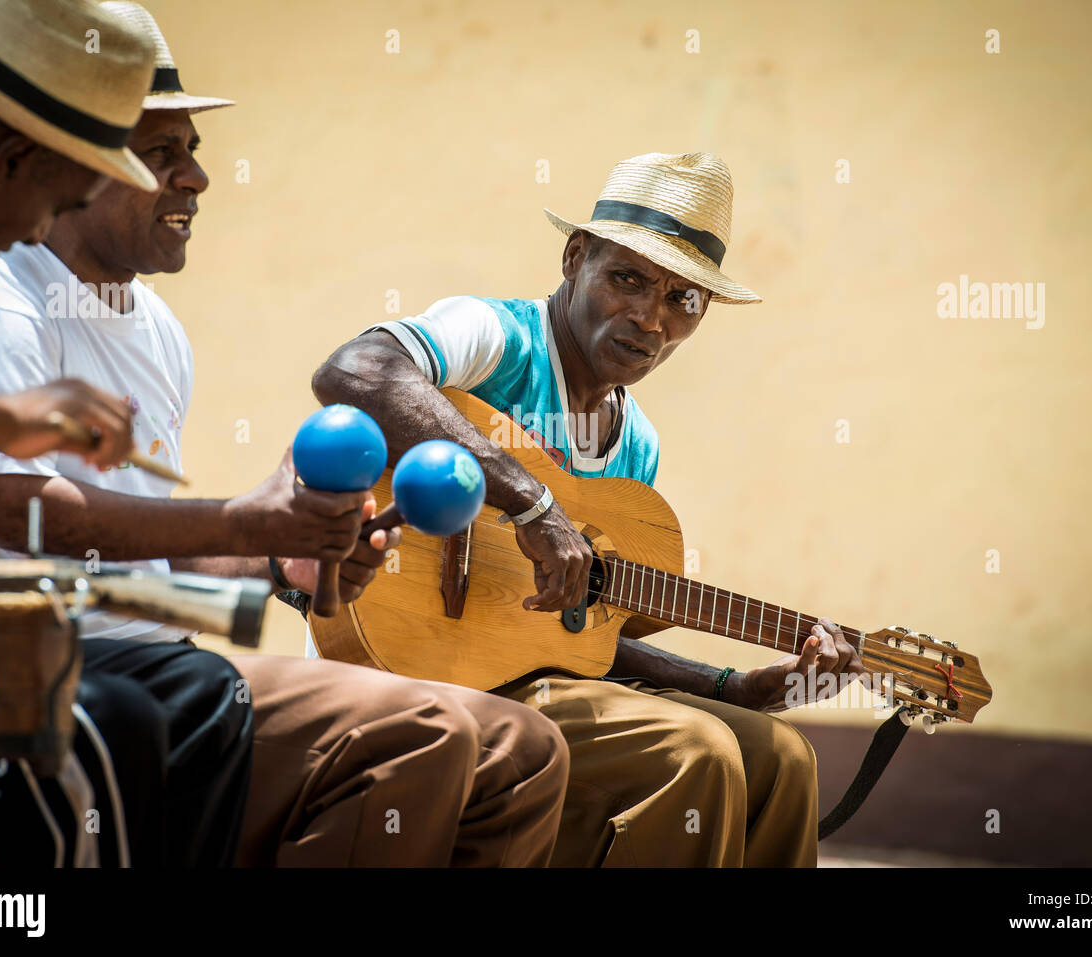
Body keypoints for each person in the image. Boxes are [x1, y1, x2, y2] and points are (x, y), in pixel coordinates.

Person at [0, 2, 569, 867]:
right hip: (82, 666)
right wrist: (243, 521)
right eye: (163, 153)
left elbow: (149, 544)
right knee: (425, 734)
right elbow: (3, 507)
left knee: (522, 749)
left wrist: (282, 560)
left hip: (160, 656)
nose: (196, 178)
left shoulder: (156, 327)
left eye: (193, 151)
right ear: (78, 162)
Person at [312, 152, 869, 867]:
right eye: (627, 278)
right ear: (576, 257)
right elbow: (353, 370)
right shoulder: (494, 338)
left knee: (783, 757)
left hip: (540, 688)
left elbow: (582, 640)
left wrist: (740, 686)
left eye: (683, 300)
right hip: (412, 670)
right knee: (694, 752)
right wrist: (532, 503)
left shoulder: (634, 446)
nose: (650, 317)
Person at [0, 0, 252, 865]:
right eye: (52, 202)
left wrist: (19, 617)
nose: (32, 234)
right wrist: (3, 414)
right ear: (8, 156)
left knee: (114, 711)